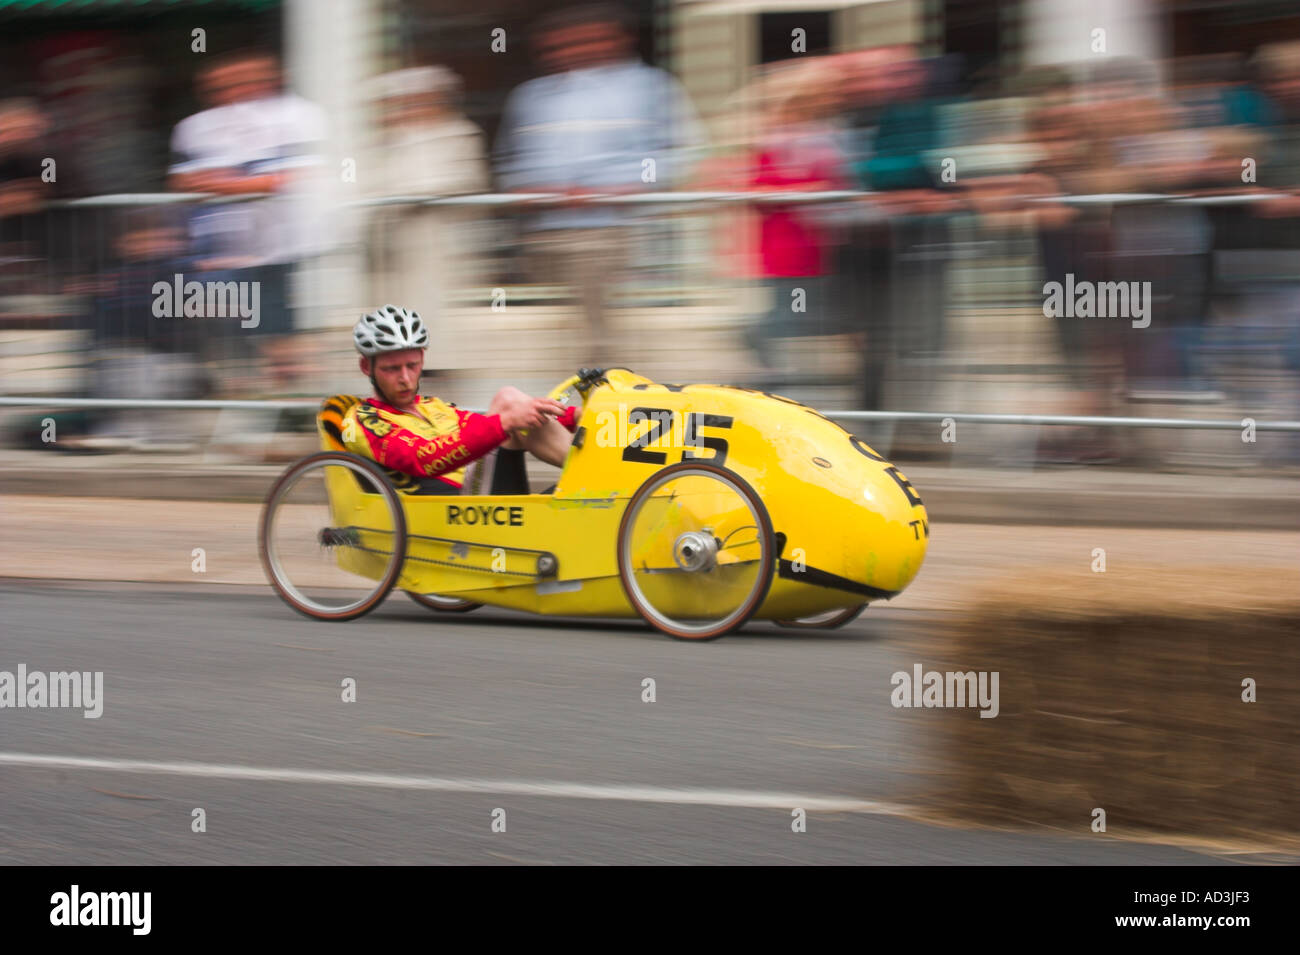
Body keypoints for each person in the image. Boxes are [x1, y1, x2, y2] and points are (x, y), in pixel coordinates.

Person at [340, 305, 580, 495]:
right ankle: (594, 472)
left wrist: (575, 417)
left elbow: (481, 426)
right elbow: (422, 459)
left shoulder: (433, 406)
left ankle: (595, 471)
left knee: (515, 409)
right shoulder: (364, 419)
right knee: (507, 400)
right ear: (365, 366)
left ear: (422, 359)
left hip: (484, 497)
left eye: (412, 366)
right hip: (452, 512)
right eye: (392, 369)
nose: (405, 378)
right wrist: (506, 421)